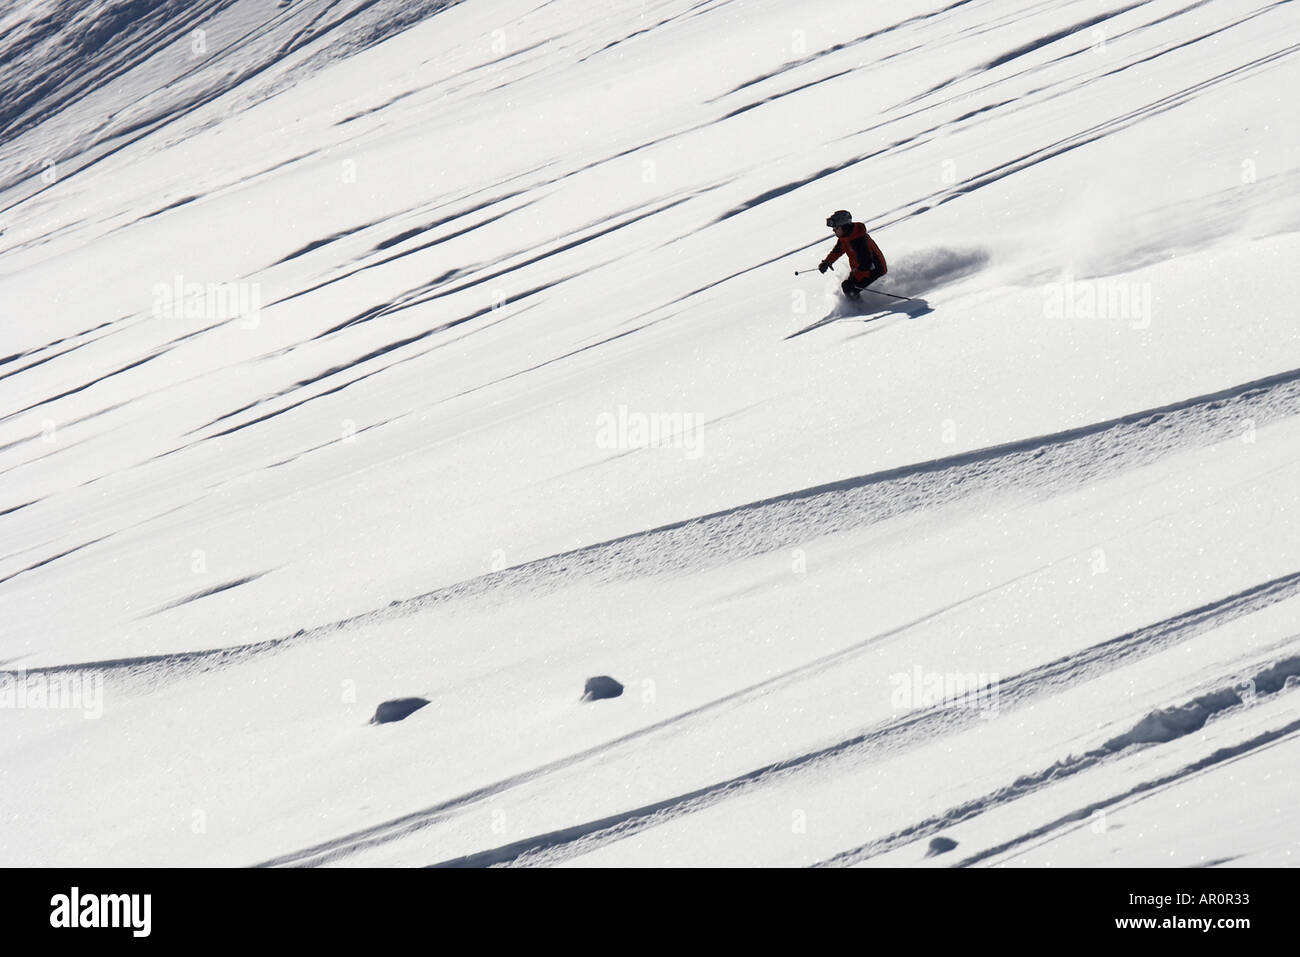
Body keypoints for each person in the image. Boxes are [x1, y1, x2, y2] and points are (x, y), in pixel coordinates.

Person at [818, 210, 887, 299]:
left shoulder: (858, 240)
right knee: (848, 285)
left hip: (875, 269)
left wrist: (854, 278)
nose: (833, 230)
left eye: (836, 228)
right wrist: (827, 262)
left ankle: (860, 309)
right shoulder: (845, 237)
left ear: (844, 226)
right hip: (862, 268)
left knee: (848, 287)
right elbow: (837, 251)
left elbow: (866, 263)